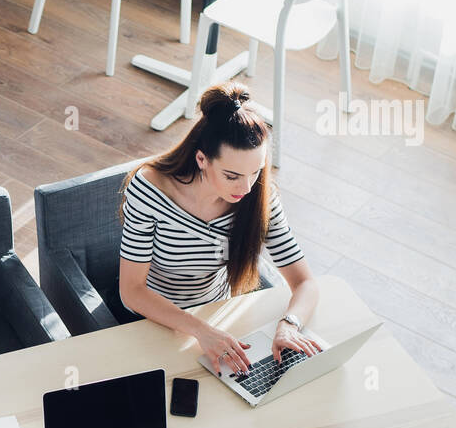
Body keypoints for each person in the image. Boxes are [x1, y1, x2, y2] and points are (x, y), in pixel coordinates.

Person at [117, 83, 321, 376]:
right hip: (157, 320)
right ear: (202, 159)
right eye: (232, 175)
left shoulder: (259, 196)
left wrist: (289, 325)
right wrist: (200, 330)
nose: (247, 187)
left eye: (256, 172)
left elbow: (306, 283)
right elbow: (132, 291)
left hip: (219, 317)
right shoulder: (150, 190)